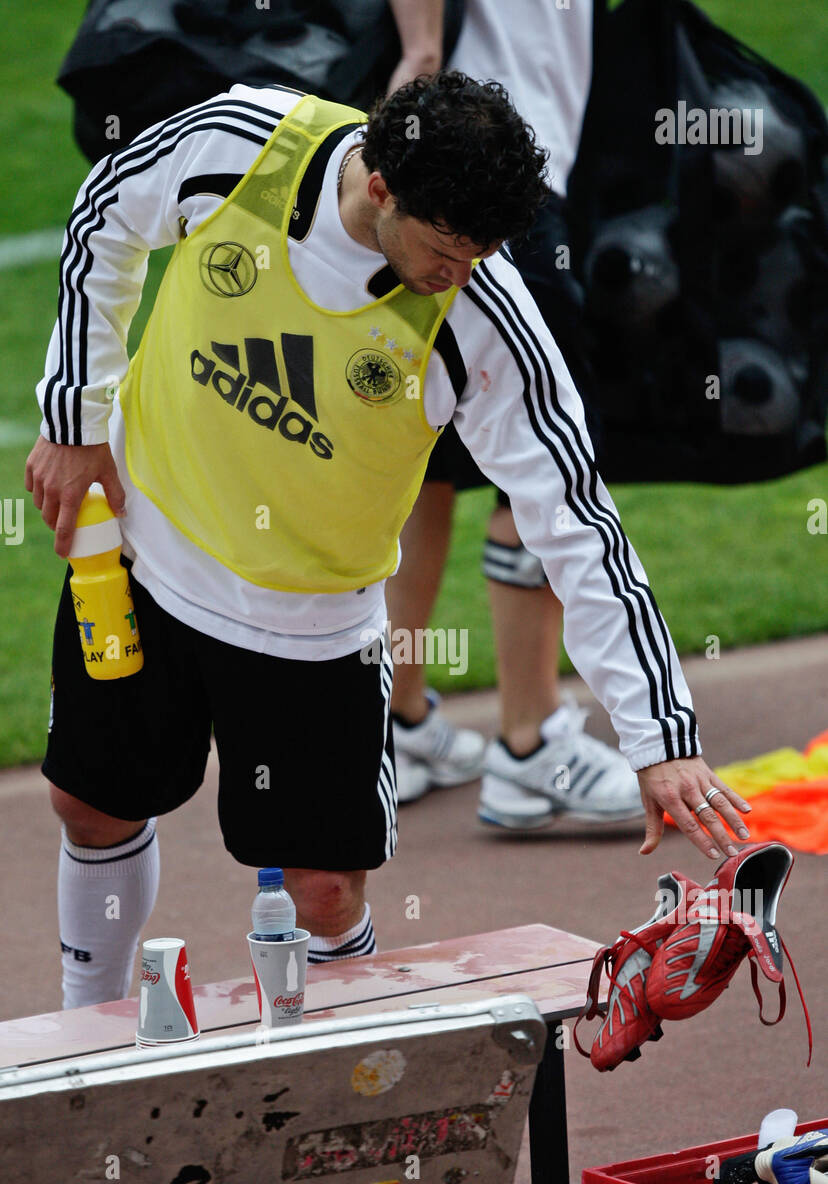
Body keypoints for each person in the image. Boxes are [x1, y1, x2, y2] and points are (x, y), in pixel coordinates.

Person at [26, 71, 751, 1011]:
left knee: (324, 894)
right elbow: (105, 213)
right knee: (93, 805)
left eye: (487, 252)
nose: (465, 275)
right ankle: (86, 1036)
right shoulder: (246, 147)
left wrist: (660, 736)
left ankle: (329, 1095)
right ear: (380, 187)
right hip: (145, 558)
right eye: (447, 251)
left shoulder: (487, 319)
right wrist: (75, 418)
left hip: (313, 630)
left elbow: (576, 520)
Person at [384, 0, 628, 828]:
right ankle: (529, 743)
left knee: (422, 460)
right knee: (546, 453)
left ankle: (396, 721)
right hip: (496, 183)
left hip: (482, 173)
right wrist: (421, 49)